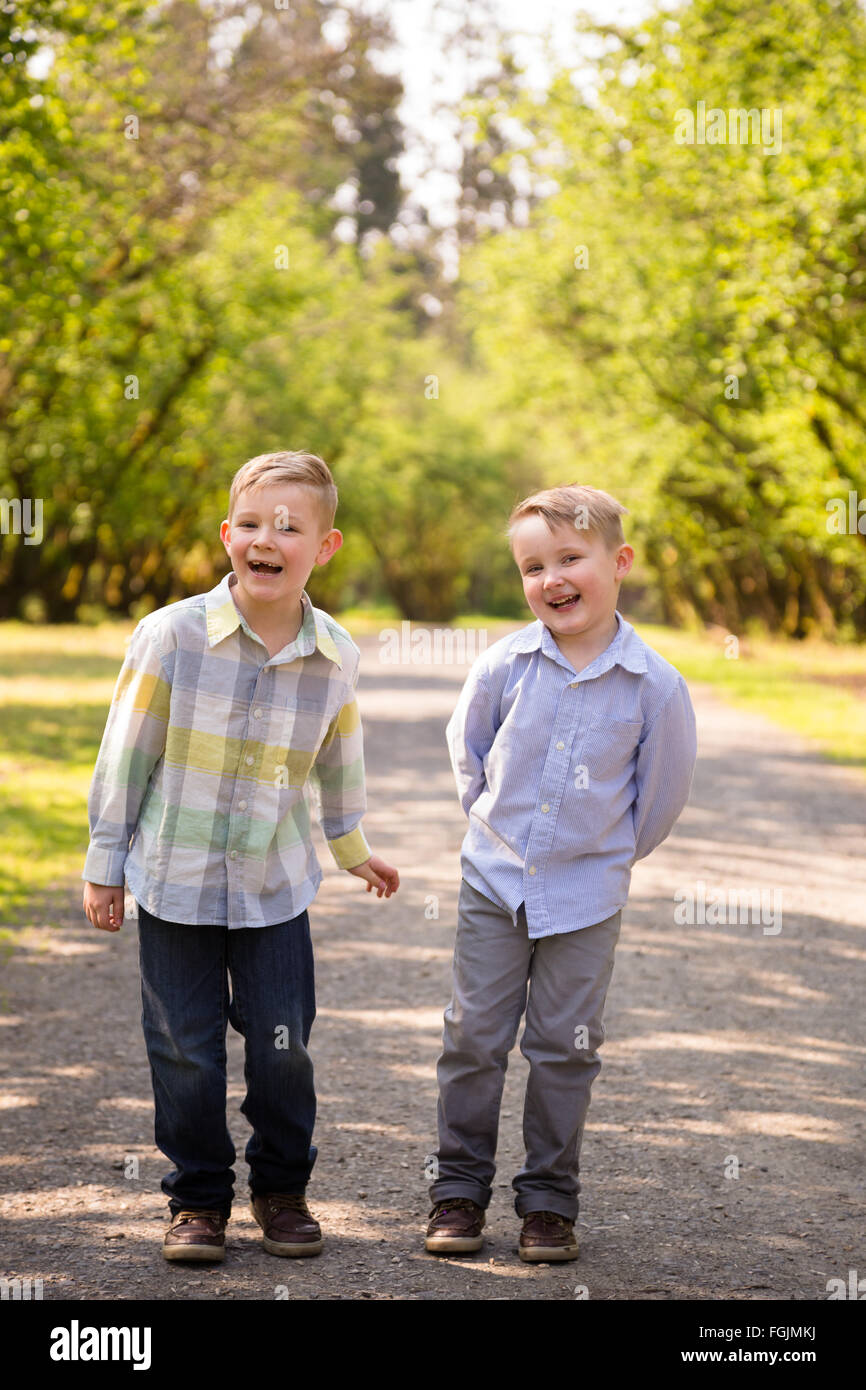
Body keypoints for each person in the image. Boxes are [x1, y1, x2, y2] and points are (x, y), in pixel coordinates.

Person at [82, 450, 399, 1263]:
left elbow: (339, 758)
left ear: (324, 548)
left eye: (290, 528)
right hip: (175, 883)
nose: (268, 539)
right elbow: (127, 754)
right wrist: (104, 860)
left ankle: (282, 1189)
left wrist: (353, 847)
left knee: (283, 1046)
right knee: (183, 1048)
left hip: (273, 885)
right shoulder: (172, 636)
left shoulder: (334, 654)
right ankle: (197, 1201)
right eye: (253, 524)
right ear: (228, 535)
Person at [426, 484, 697, 1262]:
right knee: (473, 1034)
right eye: (532, 566)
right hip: (495, 883)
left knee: (564, 1045)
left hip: (586, 898)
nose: (551, 579)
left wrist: (602, 859)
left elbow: (659, 799)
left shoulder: (655, 686)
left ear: (619, 562)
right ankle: (457, 1191)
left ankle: (548, 1202)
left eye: (569, 559)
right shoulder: (504, 664)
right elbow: (468, 755)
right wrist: (499, 837)